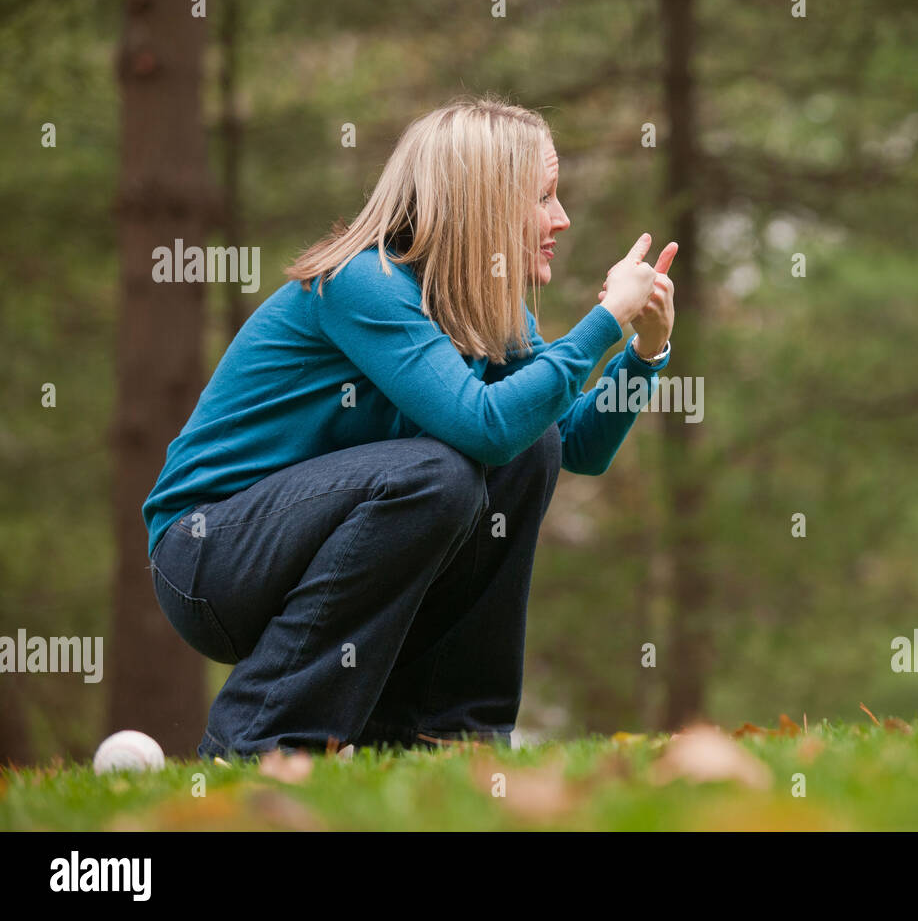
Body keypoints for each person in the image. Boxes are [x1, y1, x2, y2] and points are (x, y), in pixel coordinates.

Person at [142, 96, 678, 759]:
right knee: (442, 474)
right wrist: (602, 323)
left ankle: (447, 738)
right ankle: (260, 743)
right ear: (483, 200)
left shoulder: (488, 309)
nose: (560, 220)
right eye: (544, 197)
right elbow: (480, 428)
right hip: (209, 557)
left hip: (311, 541)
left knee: (527, 441)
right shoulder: (364, 282)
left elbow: (571, 444)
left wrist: (644, 353)